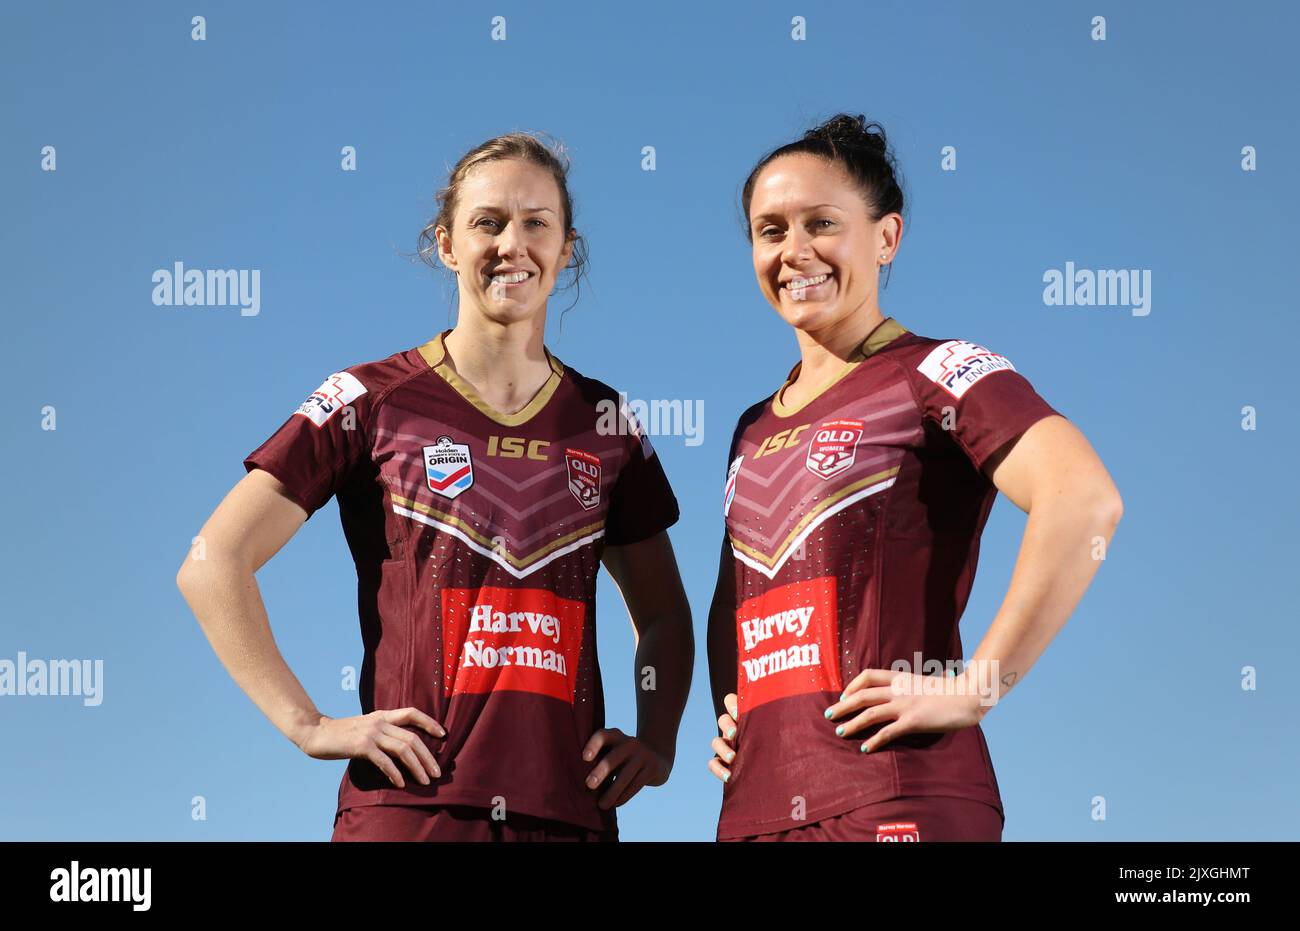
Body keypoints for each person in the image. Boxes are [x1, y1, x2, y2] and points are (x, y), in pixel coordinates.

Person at [177, 131, 693, 842]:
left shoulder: (607, 421)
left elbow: (664, 613)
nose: (513, 243)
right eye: (488, 222)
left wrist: (657, 739)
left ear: (566, 247)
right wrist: (309, 723)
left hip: (571, 814)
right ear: (446, 244)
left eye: (536, 222)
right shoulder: (368, 397)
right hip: (409, 811)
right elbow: (212, 562)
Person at [706, 114, 1123, 842]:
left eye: (822, 223)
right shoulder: (751, 427)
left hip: (897, 797)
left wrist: (976, 687)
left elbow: (1084, 498)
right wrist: (734, 708)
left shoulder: (936, 371)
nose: (794, 251)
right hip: (752, 813)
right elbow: (737, 600)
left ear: (887, 236)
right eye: (770, 231)